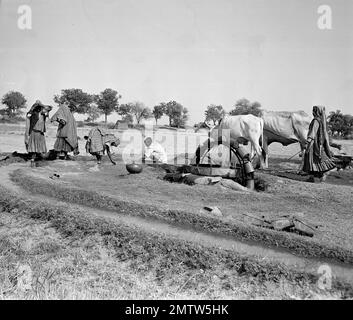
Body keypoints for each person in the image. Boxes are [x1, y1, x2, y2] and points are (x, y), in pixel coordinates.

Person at [303, 106, 336, 182]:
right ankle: (312, 177)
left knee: (311, 158)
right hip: (317, 143)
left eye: (313, 110)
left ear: (316, 112)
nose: (312, 112)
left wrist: (308, 141)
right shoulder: (320, 121)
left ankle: (320, 175)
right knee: (314, 160)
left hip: (314, 144)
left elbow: (313, 133)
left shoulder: (315, 121)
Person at [24, 100, 52, 166]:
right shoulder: (32, 113)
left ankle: (38, 158)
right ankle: (33, 158)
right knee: (33, 147)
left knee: (40, 148)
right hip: (34, 132)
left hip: (40, 133)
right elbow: (28, 114)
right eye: (39, 107)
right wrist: (35, 105)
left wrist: (41, 104)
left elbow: (50, 108)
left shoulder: (44, 114)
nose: (44, 110)